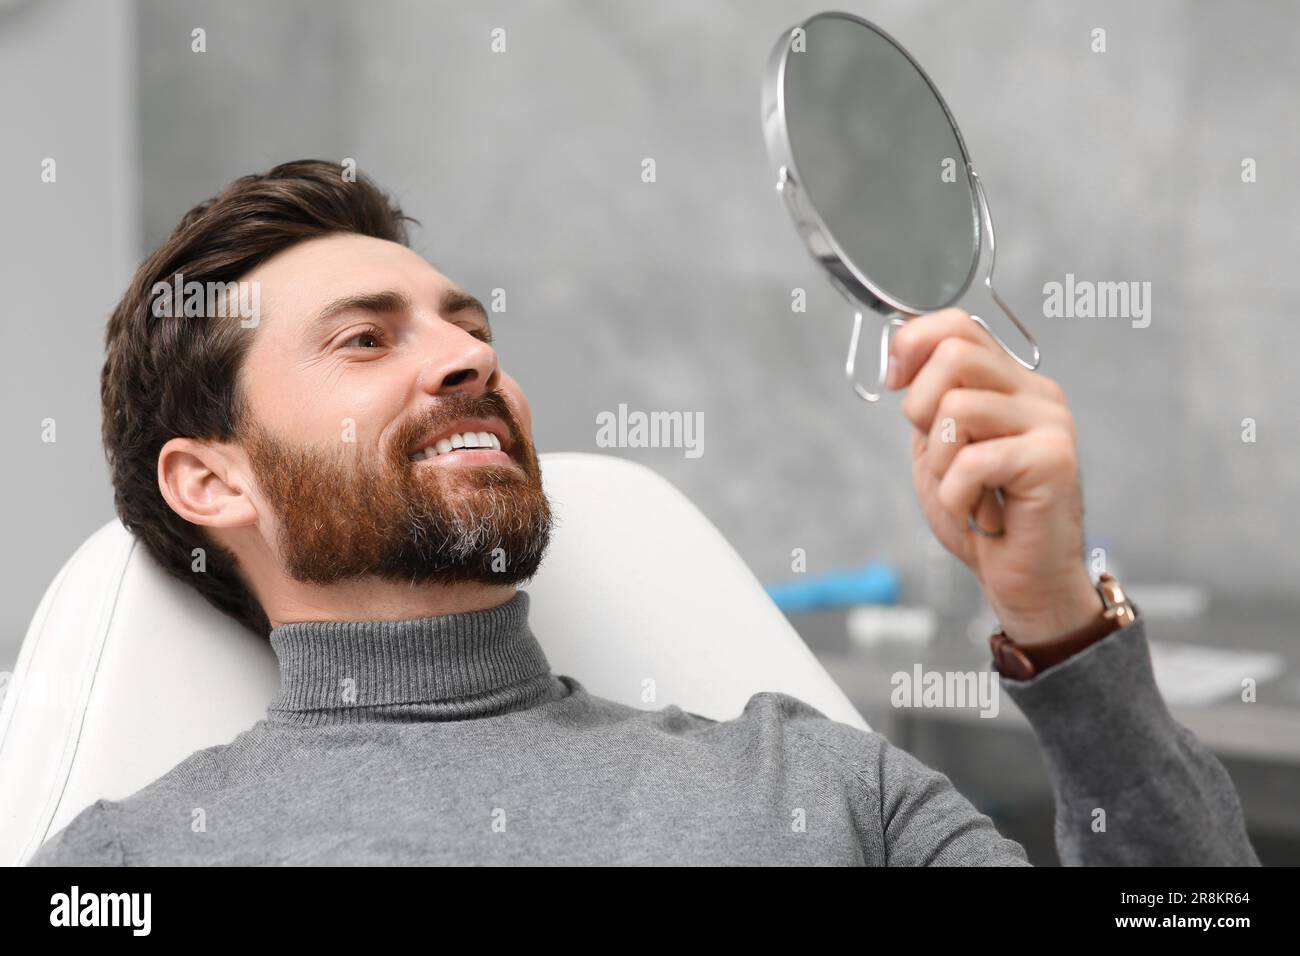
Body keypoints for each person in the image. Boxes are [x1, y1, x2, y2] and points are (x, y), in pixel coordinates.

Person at [29, 160, 1258, 865]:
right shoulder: (130, 864)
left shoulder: (816, 785)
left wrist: (1053, 617)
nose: (465, 359)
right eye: (365, 339)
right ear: (213, 481)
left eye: (470, 326)